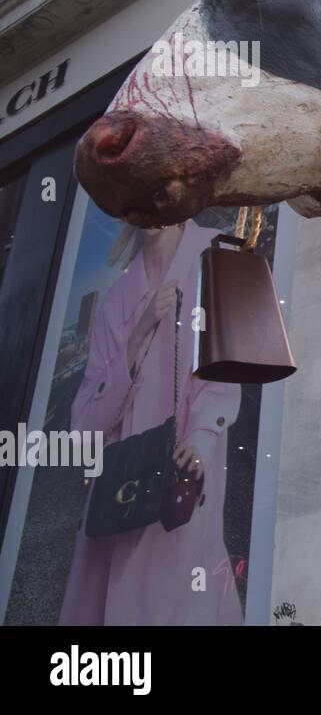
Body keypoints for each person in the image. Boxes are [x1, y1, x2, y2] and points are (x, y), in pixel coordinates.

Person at [59, 219, 244, 625]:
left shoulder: (214, 256)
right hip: (121, 498)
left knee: (177, 599)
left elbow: (223, 374)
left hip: (179, 484)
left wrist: (199, 439)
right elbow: (84, 428)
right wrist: (135, 340)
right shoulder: (117, 300)